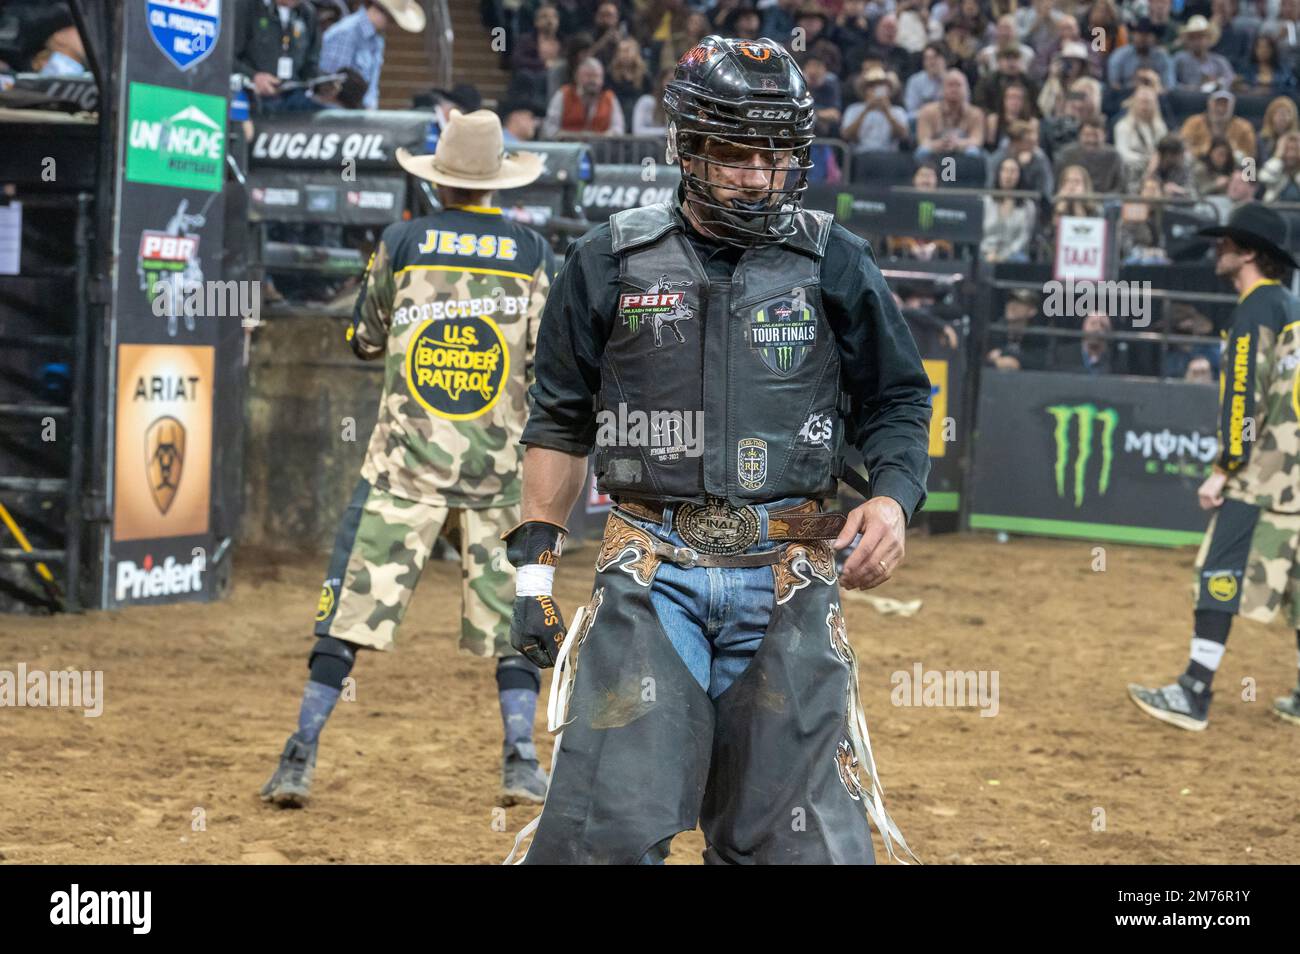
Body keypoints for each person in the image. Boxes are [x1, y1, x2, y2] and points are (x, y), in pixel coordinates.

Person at [508, 34, 930, 865]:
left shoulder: (834, 260)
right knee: (604, 838)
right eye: (736, 154)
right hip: (648, 575)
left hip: (789, 575)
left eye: (776, 156)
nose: (758, 175)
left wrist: (890, 498)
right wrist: (532, 574)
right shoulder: (607, 260)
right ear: (688, 148)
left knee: (800, 849)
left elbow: (899, 398)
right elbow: (558, 419)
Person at [258, 109, 558, 807]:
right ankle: (519, 760)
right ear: (497, 184)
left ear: (440, 181)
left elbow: (364, 337)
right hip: (497, 471)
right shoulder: (533, 253)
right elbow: (550, 364)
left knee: (346, 616)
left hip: (404, 466)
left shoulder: (403, 242)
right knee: (519, 614)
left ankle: (300, 755)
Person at [1128, 203, 1300, 731]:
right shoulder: (1289, 305)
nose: (1216, 250)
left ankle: (1194, 690)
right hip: (1295, 473)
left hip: (1263, 475)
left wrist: (1226, 467)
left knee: (1218, 572)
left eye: (1225, 242)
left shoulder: (1252, 310)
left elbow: (1244, 395)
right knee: (1294, 583)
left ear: (1249, 252)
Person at [319, 0, 425, 111]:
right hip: (339, 116)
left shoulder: (377, 40)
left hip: (360, 114)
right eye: (390, 19)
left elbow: (373, 84)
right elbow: (332, 85)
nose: (389, 24)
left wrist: (370, 109)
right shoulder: (345, 33)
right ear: (378, 10)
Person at [233, 0, 325, 113]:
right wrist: (253, 77)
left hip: (294, 97)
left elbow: (310, 65)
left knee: (334, 119)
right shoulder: (245, 6)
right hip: (251, 98)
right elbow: (225, 59)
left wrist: (323, 83)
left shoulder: (307, 13)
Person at [543, 56, 627, 137]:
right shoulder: (563, 94)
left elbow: (618, 129)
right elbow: (550, 129)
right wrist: (574, 137)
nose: (593, 80)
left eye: (597, 76)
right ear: (577, 76)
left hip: (602, 148)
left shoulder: (609, 98)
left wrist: (602, 136)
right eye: (588, 76)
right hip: (568, 148)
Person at [915, 68, 985, 158]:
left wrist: (957, 143)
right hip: (936, 149)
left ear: (966, 89)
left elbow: (977, 140)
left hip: (962, 150)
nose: (954, 89)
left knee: (973, 152)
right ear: (942, 89)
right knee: (922, 152)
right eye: (950, 85)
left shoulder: (976, 113)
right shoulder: (927, 111)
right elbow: (923, 141)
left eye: (958, 85)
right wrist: (941, 144)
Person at [841, 66, 910, 153]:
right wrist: (866, 110)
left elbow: (903, 136)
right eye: (872, 86)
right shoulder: (853, 109)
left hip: (889, 155)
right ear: (865, 90)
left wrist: (887, 112)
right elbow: (846, 135)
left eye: (881, 86)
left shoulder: (898, 111)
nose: (876, 89)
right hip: (861, 154)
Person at [981, 156, 1037, 263]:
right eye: (1005, 170)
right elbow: (978, 234)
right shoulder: (985, 201)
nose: (1008, 175)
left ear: (1020, 175)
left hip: (1014, 255)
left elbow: (1024, 237)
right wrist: (989, 252)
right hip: (985, 252)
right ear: (999, 174)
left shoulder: (1028, 206)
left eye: (1013, 171)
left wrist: (1004, 256)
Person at [1114, 86, 1170, 188]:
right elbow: (1121, 152)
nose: (1145, 106)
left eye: (1148, 102)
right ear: (1134, 103)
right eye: (1142, 102)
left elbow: (1164, 148)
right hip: (1133, 167)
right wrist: (1145, 160)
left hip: (1157, 166)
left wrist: (1156, 161)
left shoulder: (1160, 126)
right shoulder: (1123, 126)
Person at [1180, 89, 1257, 161]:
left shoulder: (1244, 127)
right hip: (1200, 165)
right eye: (1217, 104)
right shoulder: (1193, 123)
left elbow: (1250, 155)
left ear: (1232, 107)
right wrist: (1205, 150)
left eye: (1225, 105)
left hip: (1232, 167)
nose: (1221, 109)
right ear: (1209, 104)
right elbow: (1184, 148)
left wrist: (1233, 153)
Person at [1053, 117, 1125, 194]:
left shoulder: (1114, 156)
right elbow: (1057, 184)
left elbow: (1120, 188)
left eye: (1096, 135)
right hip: (1072, 198)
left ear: (1105, 136)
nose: (1091, 140)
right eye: (1087, 135)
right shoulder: (1066, 155)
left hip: (1106, 202)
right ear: (1079, 135)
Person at [1107, 17, 1176, 91]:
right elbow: (1113, 85)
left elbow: (1169, 87)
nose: (1143, 38)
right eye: (1139, 33)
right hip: (1124, 97)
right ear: (1133, 35)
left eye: (1147, 34)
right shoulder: (1119, 56)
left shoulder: (1162, 57)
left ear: (1154, 37)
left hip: (1157, 97)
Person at [1173, 14, 1236, 90]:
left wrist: (1217, 83)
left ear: (1209, 39)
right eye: (1192, 37)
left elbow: (1231, 81)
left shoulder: (1219, 61)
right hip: (1187, 99)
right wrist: (1190, 89)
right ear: (1188, 41)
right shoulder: (1180, 59)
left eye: (1200, 37)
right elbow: (1171, 84)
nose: (1197, 41)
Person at [904, 41, 948, 118]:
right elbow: (910, 110)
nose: (931, 62)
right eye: (927, 59)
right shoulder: (915, 81)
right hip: (922, 121)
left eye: (935, 58)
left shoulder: (955, 79)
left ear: (944, 59)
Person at [1260, 130, 1300, 201]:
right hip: (1275, 209)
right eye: (1287, 150)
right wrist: (1278, 156)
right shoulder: (1276, 168)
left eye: (1295, 150)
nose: (1291, 155)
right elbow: (1264, 177)